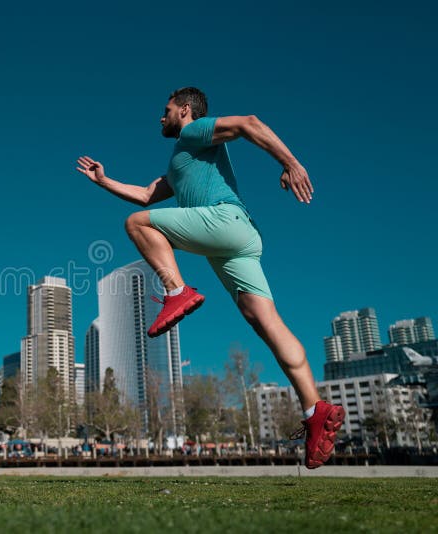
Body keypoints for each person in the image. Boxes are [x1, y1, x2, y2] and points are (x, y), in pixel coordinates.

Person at [76, 87, 344, 469]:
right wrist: (104, 180)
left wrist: (291, 163)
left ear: (184, 110)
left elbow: (249, 124)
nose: (160, 117)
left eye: (166, 110)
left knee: (136, 226)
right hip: (238, 240)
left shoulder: (193, 131)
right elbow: (149, 194)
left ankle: (177, 290)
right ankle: (313, 408)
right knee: (264, 322)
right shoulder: (182, 161)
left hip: (224, 220)